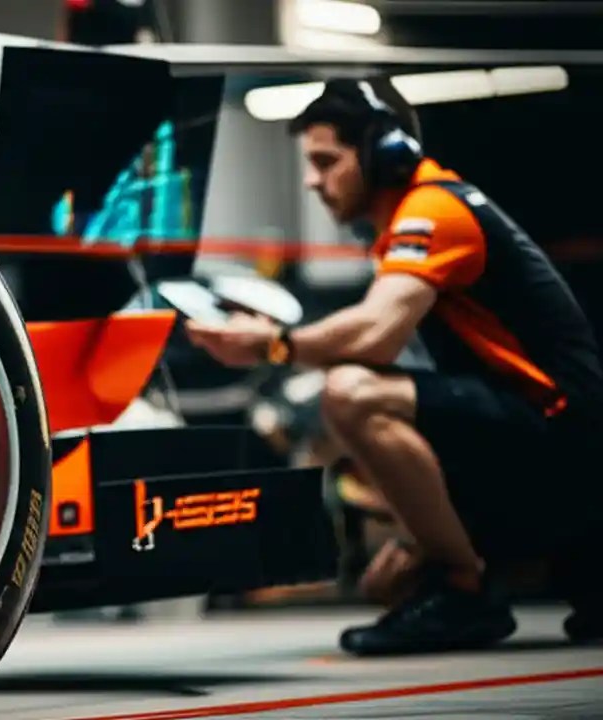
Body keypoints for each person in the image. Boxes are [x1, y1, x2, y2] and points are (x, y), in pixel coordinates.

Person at [185, 77, 603, 654]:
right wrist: (415, 539)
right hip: (534, 429)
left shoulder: (432, 210)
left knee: (352, 391)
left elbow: (376, 335)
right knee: (392, 580)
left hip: (563, 435)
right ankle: (470, 569)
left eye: (326, 162)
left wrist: (272, 344)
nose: (312, 180)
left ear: (385, 152)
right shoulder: (414, 216)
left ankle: (463, 591)